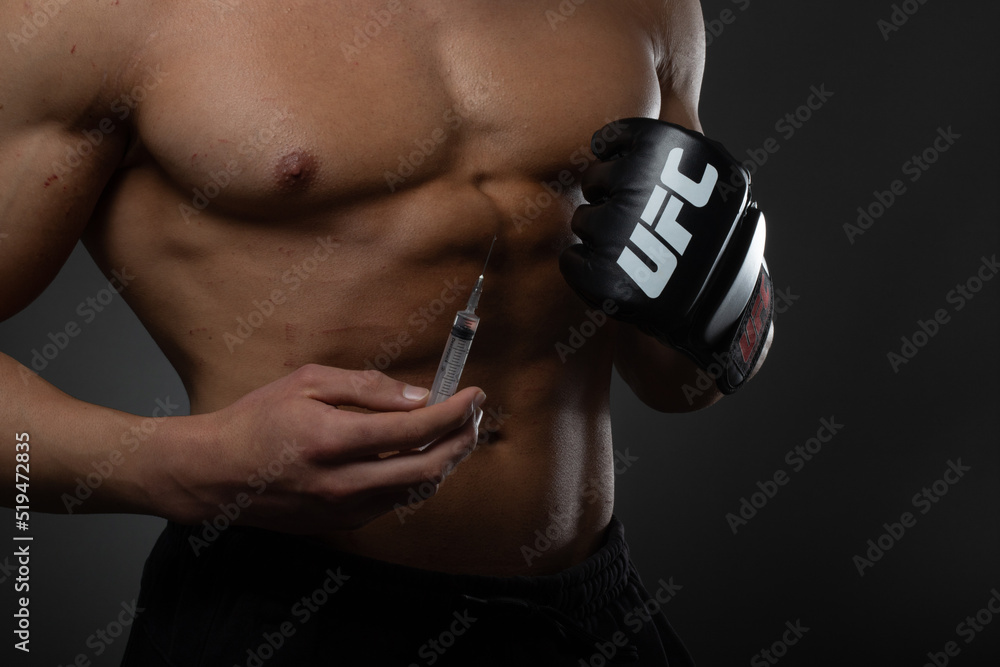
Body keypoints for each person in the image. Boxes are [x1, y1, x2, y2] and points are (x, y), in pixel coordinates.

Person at [0, 1, 772, 664]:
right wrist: (182, 467)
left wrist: (725, 294)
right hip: (286, 614)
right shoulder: (96, 16)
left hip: (587, 612)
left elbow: (680, 383)